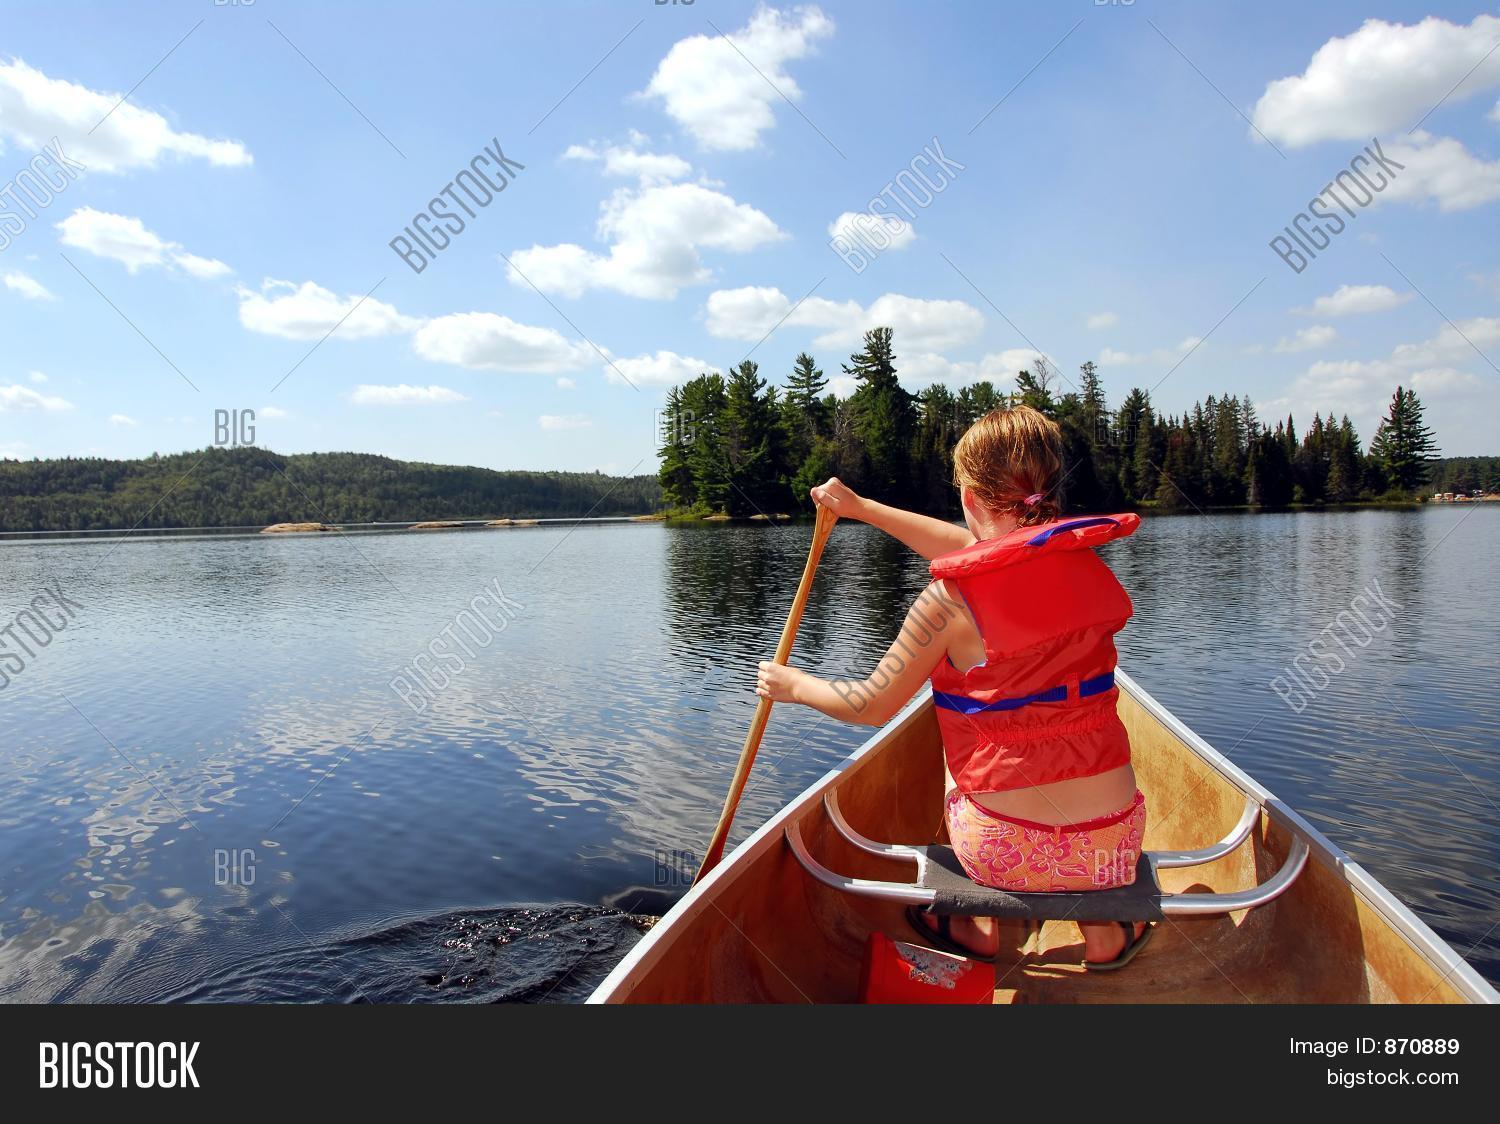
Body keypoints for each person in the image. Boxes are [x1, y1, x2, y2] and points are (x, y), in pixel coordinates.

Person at [755, 405, 1151, 969]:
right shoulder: (1087, 563)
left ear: (969, 499)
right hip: (1114, 849)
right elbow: (985, 550)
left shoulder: (945, 605)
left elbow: (872, 706)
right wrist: (862, 509)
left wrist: (793, 684)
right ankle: (1106, 930)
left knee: (955, 724)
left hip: (1004, 856)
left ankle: (974, 922)